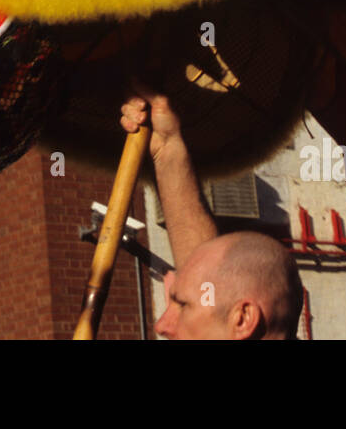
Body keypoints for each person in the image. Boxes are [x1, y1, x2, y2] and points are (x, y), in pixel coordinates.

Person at [121, 93, 303, 340]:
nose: (161, 326)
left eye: (183, 306)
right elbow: (207, 283)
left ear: (242, 319)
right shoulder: (216, 305)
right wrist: (166, 148)